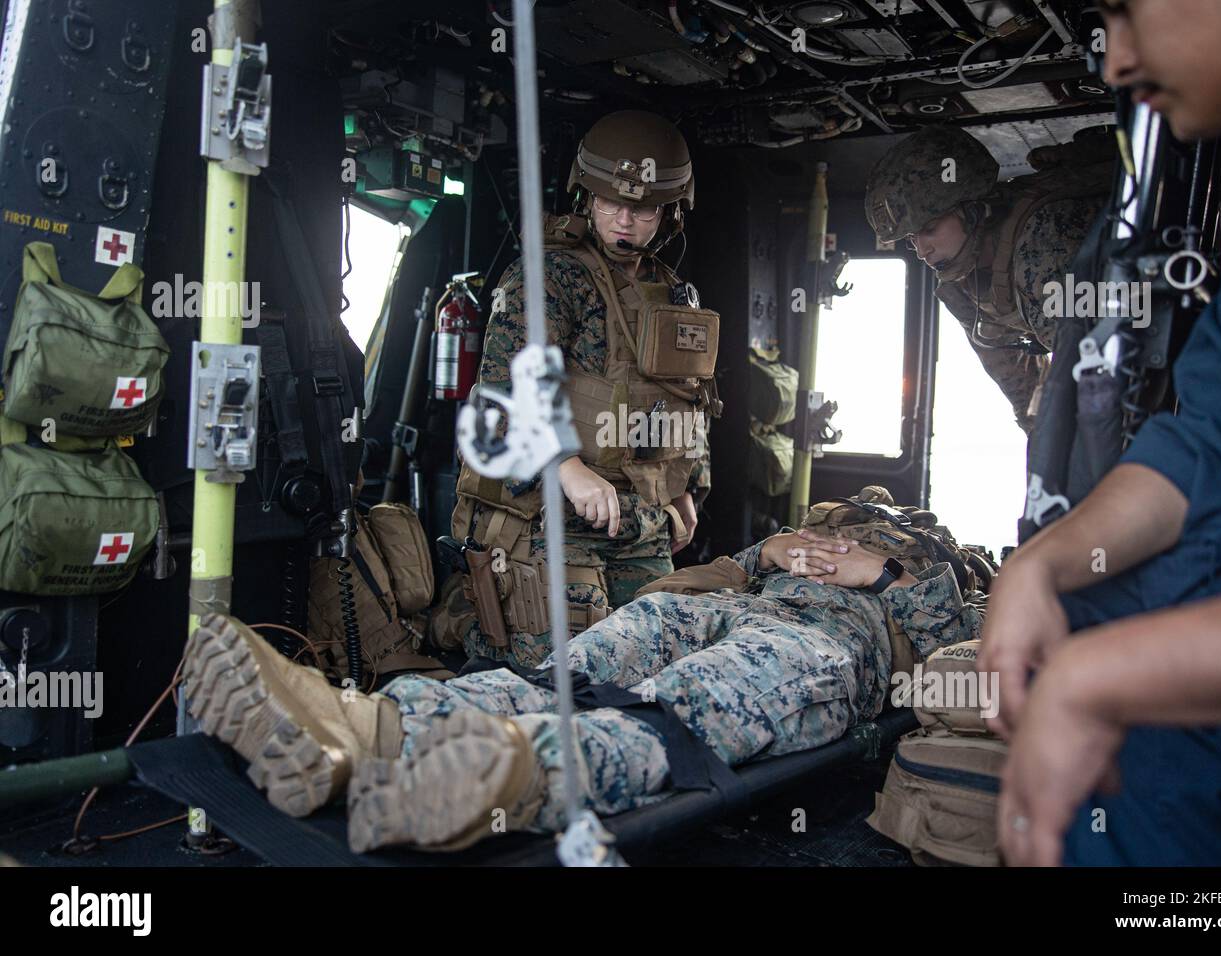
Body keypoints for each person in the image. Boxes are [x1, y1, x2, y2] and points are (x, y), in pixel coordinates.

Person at [180, 488, 983, 853]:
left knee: (678, 707)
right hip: (728, 603)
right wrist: (764, 552)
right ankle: (371, 727)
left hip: (826, 649)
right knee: (567, 669)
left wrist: (884, 578)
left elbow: (954, 658)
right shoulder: (828, 520)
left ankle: (505, 777)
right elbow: (734, 566)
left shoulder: (961, 574)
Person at [982, 0, 1221, 866]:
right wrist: (1038, 564)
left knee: (1106, 672)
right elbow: (1207, 446)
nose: (1114, 59)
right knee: (1082, 614)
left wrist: (1105, 680)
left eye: (1127, 11)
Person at [446, 110, 719, 669]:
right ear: (585, 197)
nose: (624, 219)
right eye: (609, 202)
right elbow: (500, 398)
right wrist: (567, 467)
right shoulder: (547, 278)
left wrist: (688, 487)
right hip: (549, 522)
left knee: (654, 673)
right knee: (557, 682)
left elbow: (692, 400)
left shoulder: (672, 293)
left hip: (638, 522)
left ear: (668, 212)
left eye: (642, 209)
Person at [865, 124, 1112, 432]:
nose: (921, 250)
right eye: (912, 239)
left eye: (929, 229)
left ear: (971, 209)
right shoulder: (966, 289)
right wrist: (1038, 433)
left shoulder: (1043, 243)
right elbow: (1020, 382)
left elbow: (1102, 371)